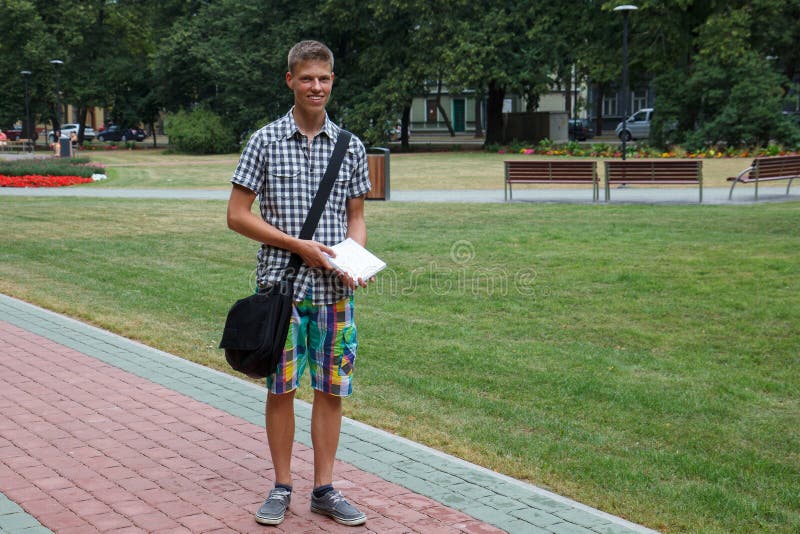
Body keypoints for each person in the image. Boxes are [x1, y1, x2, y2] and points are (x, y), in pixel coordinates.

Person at [226, 40, 372, 527]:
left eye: (324, 78)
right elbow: (237, 215)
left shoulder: (351, 146)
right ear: (290, 80)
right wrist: (297, 246)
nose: (316, 87)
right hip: (281, 292)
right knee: (281, 388)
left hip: (335, 293)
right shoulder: (264, 141)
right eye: (307, 78)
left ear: (333, 81)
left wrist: (353, 259)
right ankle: (282, 486)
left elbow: (356, 218)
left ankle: (324, 489)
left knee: (331, 391)